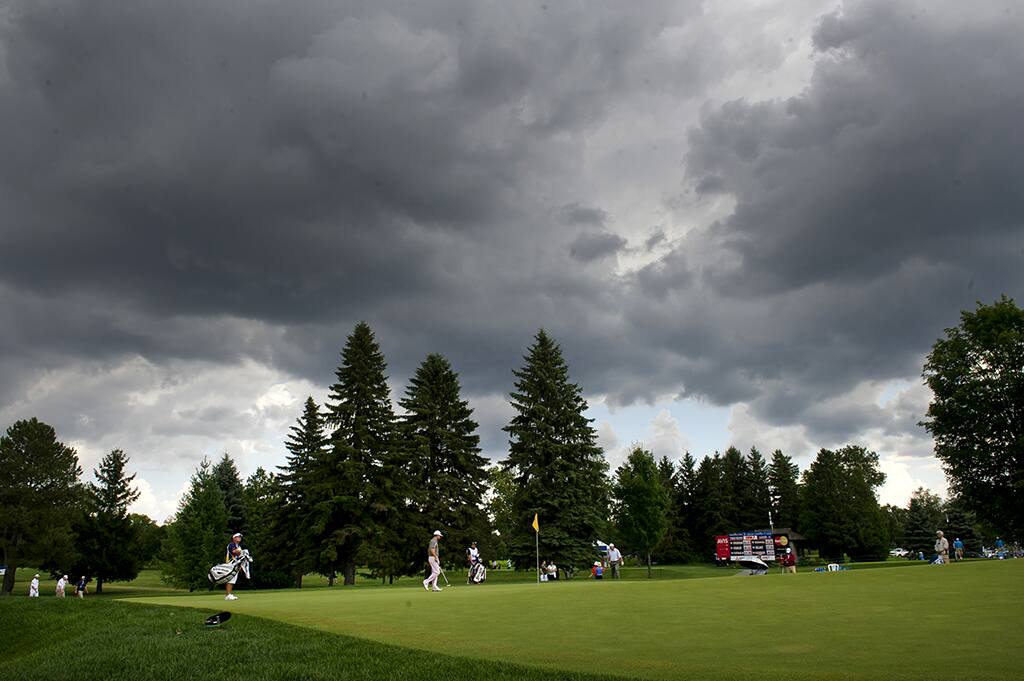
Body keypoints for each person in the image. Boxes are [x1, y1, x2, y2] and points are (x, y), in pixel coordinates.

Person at [224, 532, 244, 600]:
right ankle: (228, 595)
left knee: (232, 579)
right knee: (231, 579)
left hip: (235, 564)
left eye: (240, 537)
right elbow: (235, 551)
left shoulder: (238, 546)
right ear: (234, 538)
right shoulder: (232, 544)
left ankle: (228, 594)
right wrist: (243, 552)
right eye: (238, 537)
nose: (239, 538)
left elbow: (240, 556)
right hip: (230, 563)